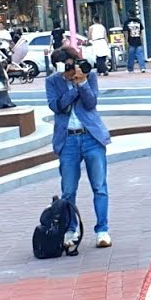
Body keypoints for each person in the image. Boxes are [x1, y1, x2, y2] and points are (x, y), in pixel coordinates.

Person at [45, 47, 112, 249]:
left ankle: (102, 230)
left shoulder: (88, 75)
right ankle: (70, 230)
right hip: (68, 141)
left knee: (99, 186)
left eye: (70, 65)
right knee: (68, 191)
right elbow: (57, 106)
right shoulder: (53, 81)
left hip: (91, 137)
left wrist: (82, 82)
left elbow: (91, 103)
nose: (68, 71)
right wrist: (73, 88)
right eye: (64, 68)